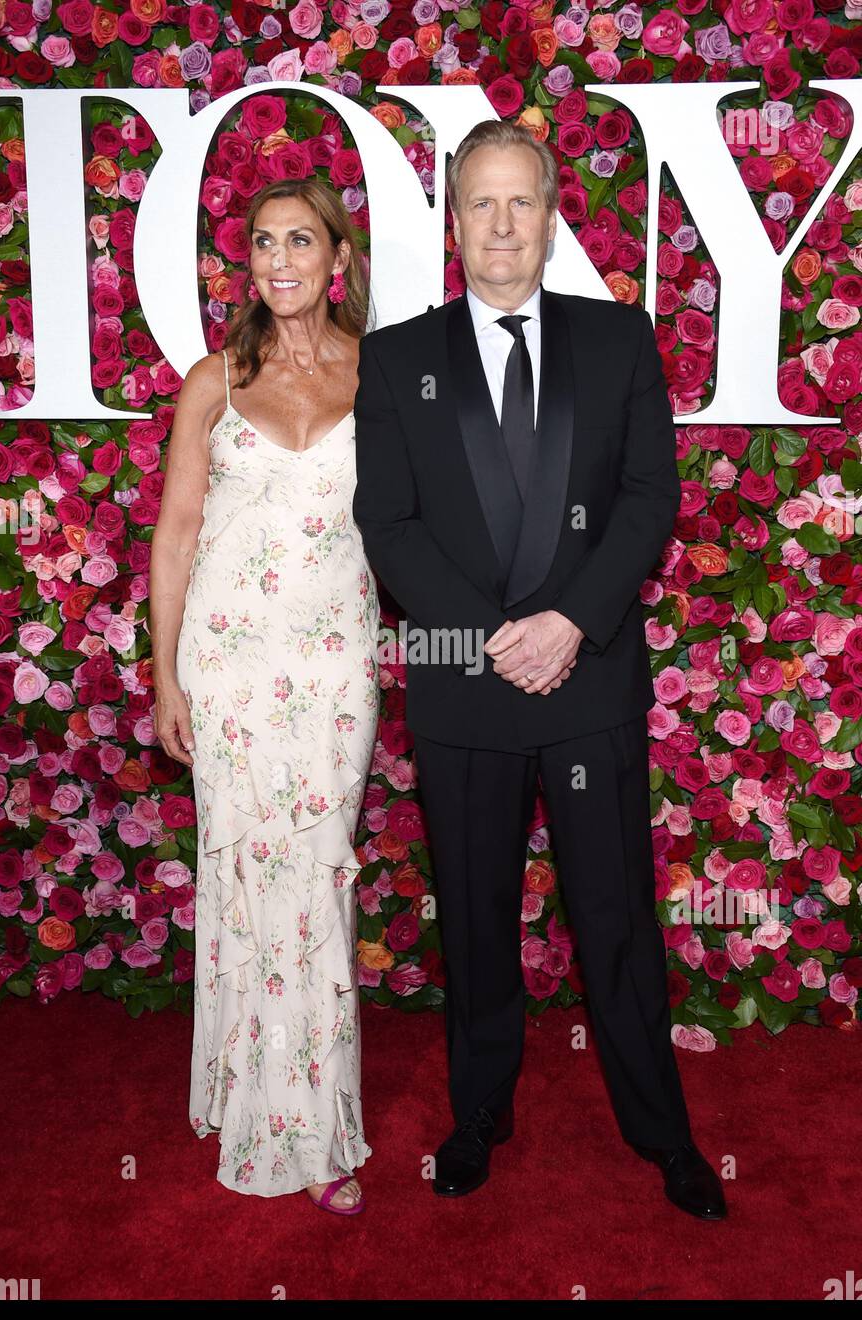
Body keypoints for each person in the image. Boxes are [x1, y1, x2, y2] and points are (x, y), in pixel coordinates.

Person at [353, 120, 726, 1221]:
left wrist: (569, 620)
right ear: (454, 221)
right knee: (474, 922)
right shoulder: (399, 358)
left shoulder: (619, 341)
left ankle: (663, 1132)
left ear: (553, 219)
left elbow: (650, 499)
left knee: (613, 919)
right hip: (467, 691)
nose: (503, 224)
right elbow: (392, 525)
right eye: (482, 204)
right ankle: (477, 1117)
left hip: (589, 682)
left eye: (523, 203)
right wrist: (496, 635)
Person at [151, 179, 380, 1213]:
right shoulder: (214, 378)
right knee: (248, 883)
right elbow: (177, 532)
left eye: (301, 239)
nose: (279, 258)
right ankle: (254, 1105)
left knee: (319, 873)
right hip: (232, 664)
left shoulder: (382, 377)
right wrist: (164, 672)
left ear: (338, 258)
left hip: (336, 666)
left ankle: (320, 1123)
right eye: (261, 243)